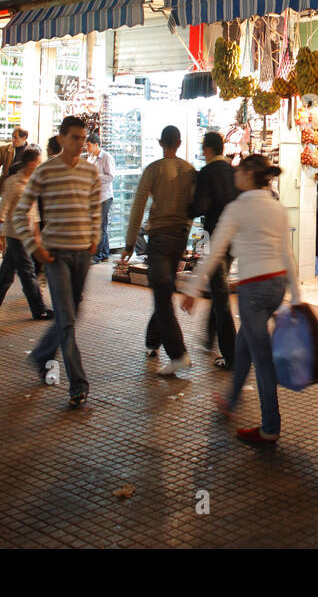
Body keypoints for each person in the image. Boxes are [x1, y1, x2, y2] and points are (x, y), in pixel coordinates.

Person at [179, 155, 302, 445]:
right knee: (243, 346)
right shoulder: (276, 207)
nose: (234, 174)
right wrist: (295, 295)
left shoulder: (237, 209)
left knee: (261, 360)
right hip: (275, 287)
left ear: (249, 175)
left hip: (253, 291)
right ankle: (231, 400)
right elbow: (288, 253)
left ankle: (270, 428)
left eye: (239, 170)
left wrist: (192, 288)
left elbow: (214, 251)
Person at [17, 116, 100, 409]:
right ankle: (78, 384)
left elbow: (95, 209)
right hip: (55, 254)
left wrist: (94, 237)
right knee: (66, 319)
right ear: (62, 138)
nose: (80, 143)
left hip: (82, 254)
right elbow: (20, 211)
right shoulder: (45, 172)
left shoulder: (90, 172)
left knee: (73, 312)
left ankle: (41, 355)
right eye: (75, 138)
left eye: (83, 138)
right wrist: (34, 246)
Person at [121, 125, 196, 375]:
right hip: (179, 239)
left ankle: (178, 353)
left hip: (159, 238)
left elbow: (138, 207)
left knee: (161, 294)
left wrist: (130, 242)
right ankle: (152, 342)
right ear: (180, 142)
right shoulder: (189, 170)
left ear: (160, 142)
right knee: (163, 289)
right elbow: (194, 205)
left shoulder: (153, 169)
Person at [0, 147, 51, 324]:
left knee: (6, 274)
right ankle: (39, 309)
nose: (38, 166)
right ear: (29, 163)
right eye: (37, 163)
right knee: (27, 272)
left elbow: (34, 213)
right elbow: (2, 209)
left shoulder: (32, 183)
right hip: (15, 233)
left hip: (26, 234)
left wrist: (37, 236)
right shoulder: (13, 182)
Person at [190, 131, 239, 370]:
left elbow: (200, 206)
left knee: (220, 297)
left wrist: (188, 208)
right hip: (234, 240)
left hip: (215, 238)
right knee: (218, 288)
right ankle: (210, 338)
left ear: (207, 149)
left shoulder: (207, 173)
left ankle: (232, 356)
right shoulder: (233, 171)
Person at [84, 133, 115, 263]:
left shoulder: (107, 157)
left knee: (99, 226)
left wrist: (96, 175)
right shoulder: (90, 158)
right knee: (102, 226)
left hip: (104, 196)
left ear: (96, 144)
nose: (87, 148)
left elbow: (111, 176)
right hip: (94, 197)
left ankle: (96, 256)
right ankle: (105, 253)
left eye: (89, 145)